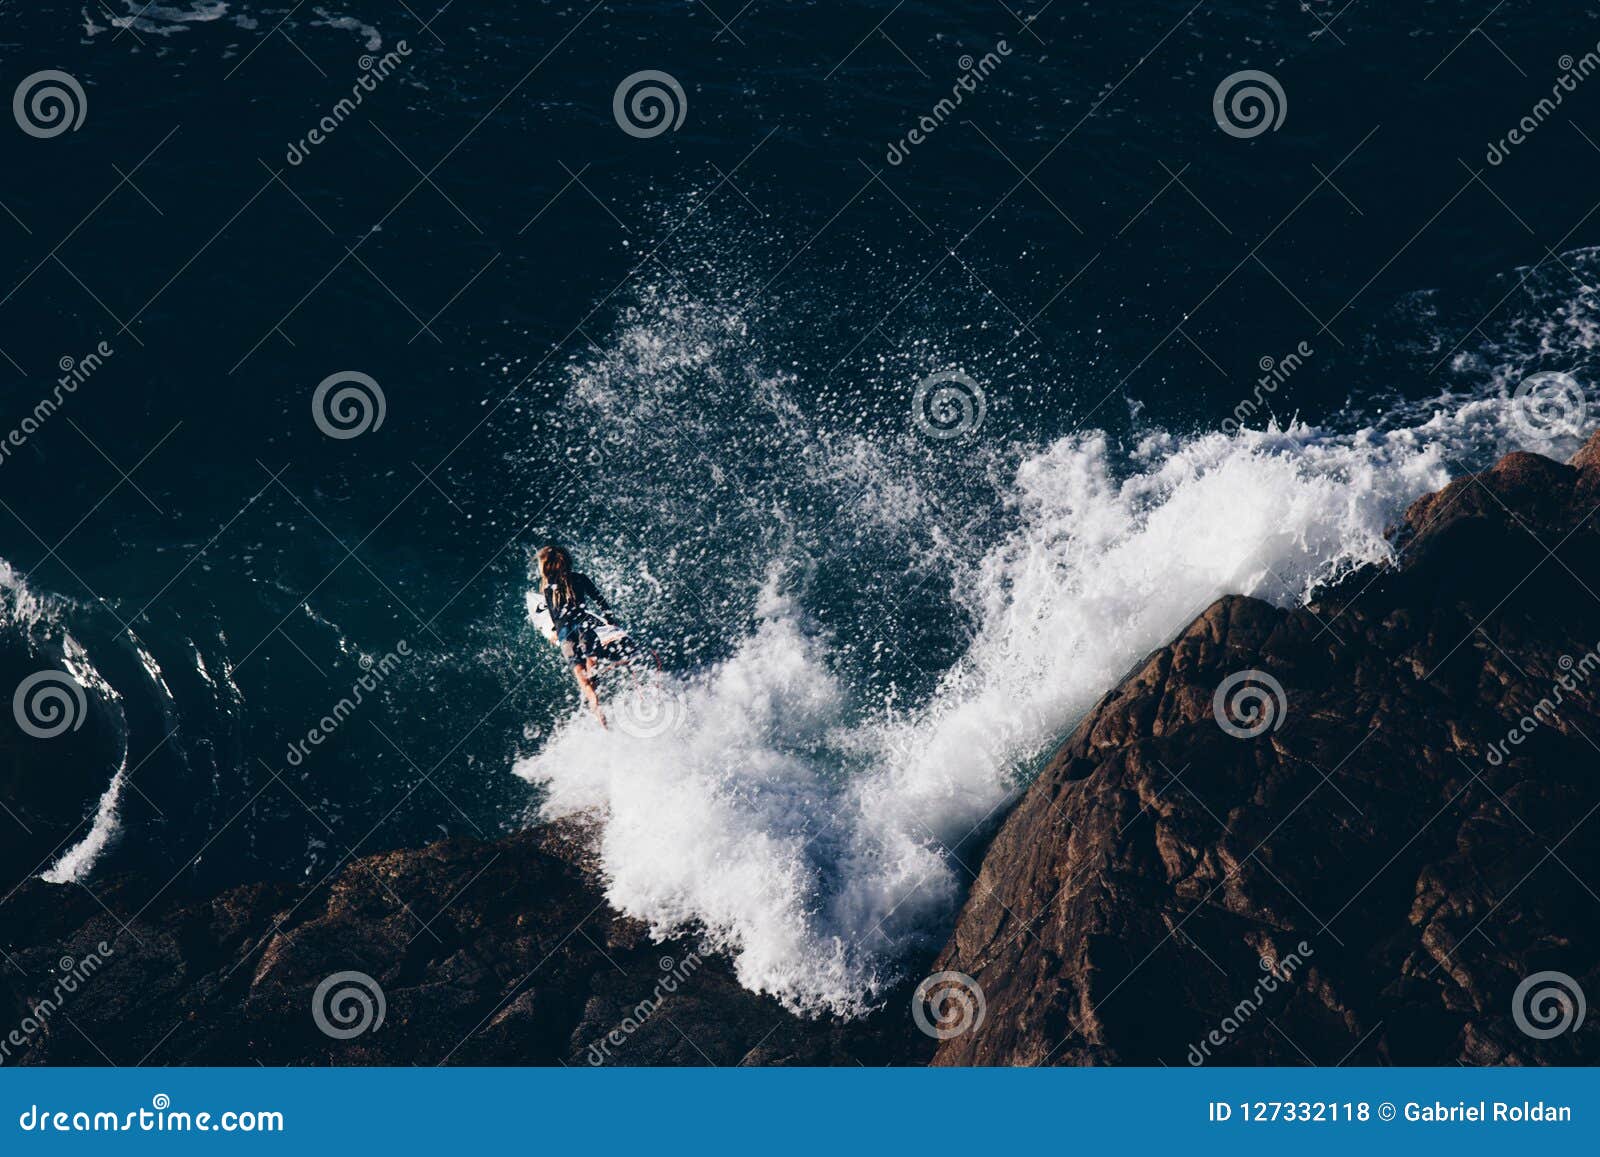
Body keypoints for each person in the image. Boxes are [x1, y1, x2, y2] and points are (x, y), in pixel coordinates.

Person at [537, 545, 612, 726]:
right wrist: (610, 619)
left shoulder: (549, 589)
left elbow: (556, 616)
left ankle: (593, 699)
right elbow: (599, 599)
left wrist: (555, 633)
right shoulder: (580, 579)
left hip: (565, 633)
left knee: (579, 671)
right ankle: (598, 675)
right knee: (591, 661)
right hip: (584, 626)